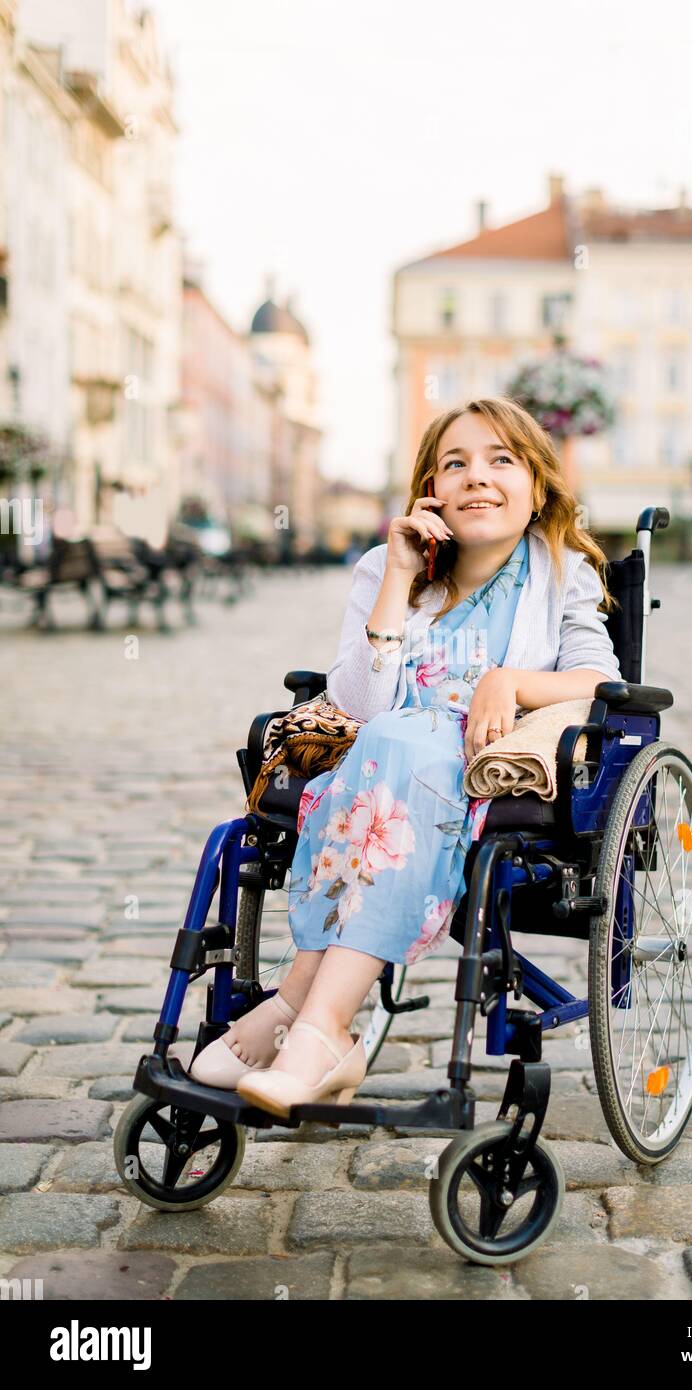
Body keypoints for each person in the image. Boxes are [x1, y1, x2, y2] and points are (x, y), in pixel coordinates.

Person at [191, 396, 621, 1117]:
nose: (476, 477)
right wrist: (397, 577)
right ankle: (318, 1029)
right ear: (429, 493)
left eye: (500, 460)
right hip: (379, 771)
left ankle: (306, 1015)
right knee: (391, 741)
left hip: (484, 774)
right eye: (454, 464)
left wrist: (507, 681)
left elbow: (598, 681)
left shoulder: (559, 571)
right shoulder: (382, 569)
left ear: (538, 487)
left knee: (402, 750)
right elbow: (358, 704)